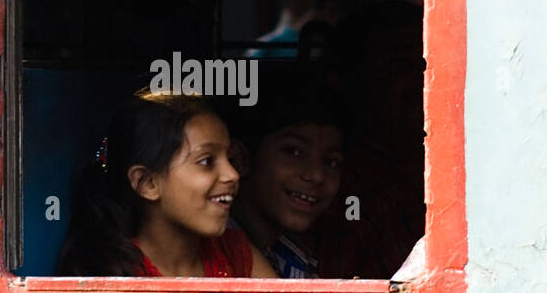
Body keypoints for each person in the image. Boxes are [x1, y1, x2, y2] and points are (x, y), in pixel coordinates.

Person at [57, 91, 277, 278]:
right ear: (148, 183)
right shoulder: (112, 275)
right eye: (206, 161)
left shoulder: (236, 254)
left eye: (229, 158)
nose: (232, 174)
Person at [229, 78, 347, 279]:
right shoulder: (217, 253)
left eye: (331, 162)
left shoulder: (294, 258)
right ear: (242, 159)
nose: (317, 176)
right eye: (293, 152)